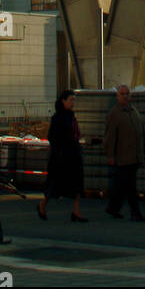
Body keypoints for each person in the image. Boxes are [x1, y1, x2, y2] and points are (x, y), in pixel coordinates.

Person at [38, 90, 86, 222]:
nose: (73, 103)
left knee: (77, 184)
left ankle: (76, 212)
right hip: (61, 157)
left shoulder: (71, 116)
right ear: (63, 101)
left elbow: (75, 134)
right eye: (70, 99)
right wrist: (61, 149)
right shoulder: (58, 118)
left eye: (74, 100)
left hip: (73, 154)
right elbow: (52, 137)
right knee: (56, 184)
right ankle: (42, 205)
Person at [103, 84, 145, 221]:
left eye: (127, 93)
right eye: (122, 94)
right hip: (123, 156)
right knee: (130, 186)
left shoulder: (134, 112)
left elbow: (142, 132)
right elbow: (109, 137)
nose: (125, 96)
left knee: (122, 185)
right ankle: (135, 212)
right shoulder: (114, 114)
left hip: (135, 155)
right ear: (117, 96)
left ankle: (113, 208)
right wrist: (110, 155)